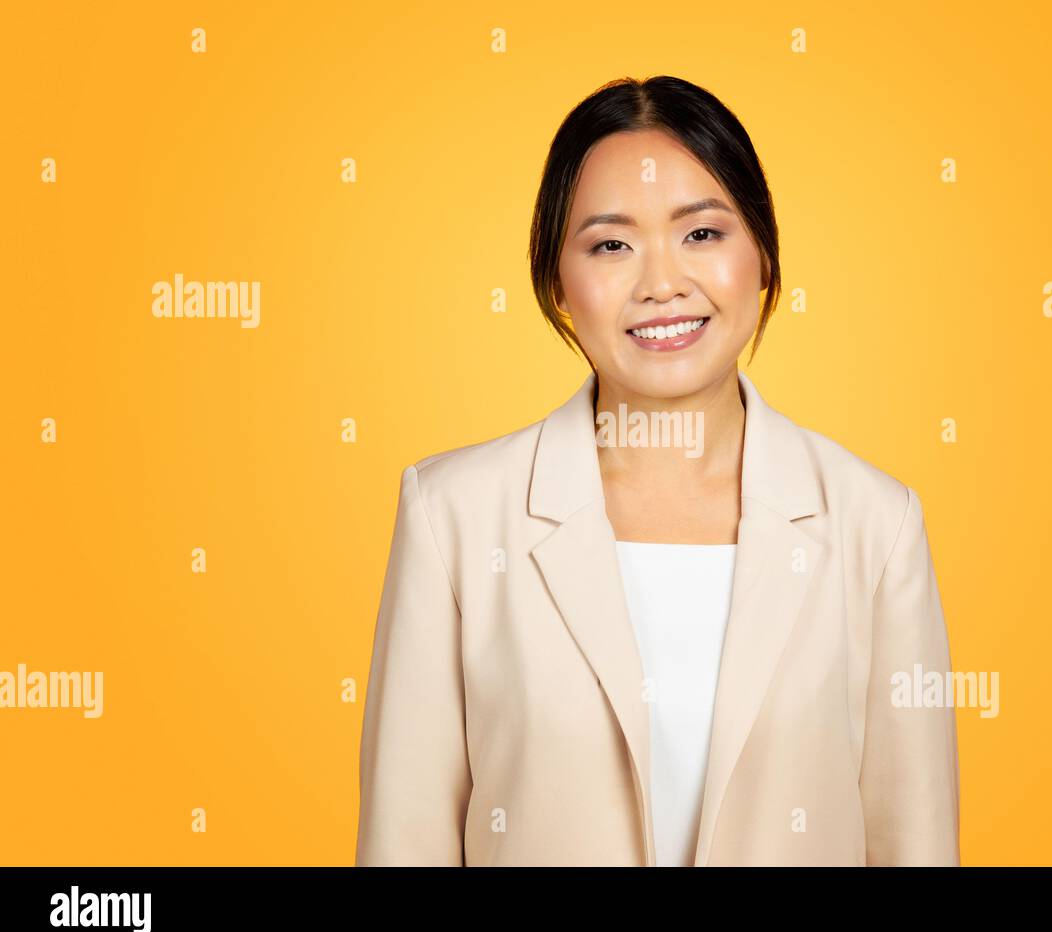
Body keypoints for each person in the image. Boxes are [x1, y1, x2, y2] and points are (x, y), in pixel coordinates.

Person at [355, 75, 960, 866]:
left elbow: (914, 845)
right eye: (611, 244)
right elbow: (406, 843)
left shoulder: (876, 525)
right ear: (557, 286)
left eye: (703, 234)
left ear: (765, 259)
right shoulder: (453, 517)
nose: (662, 283)